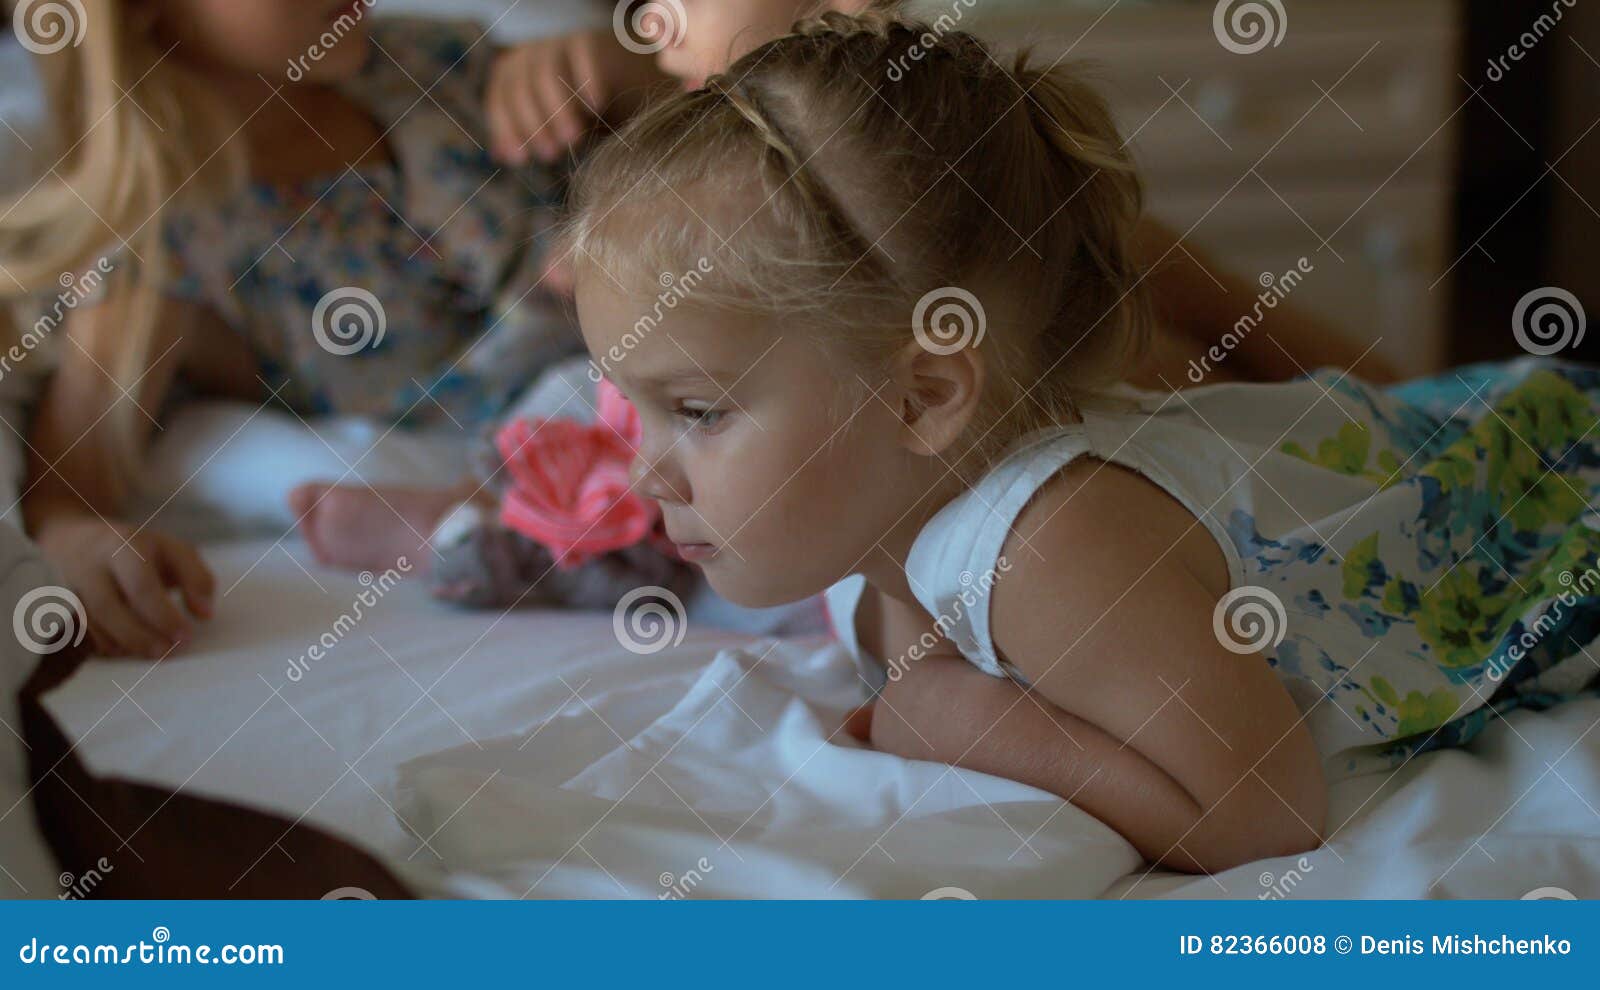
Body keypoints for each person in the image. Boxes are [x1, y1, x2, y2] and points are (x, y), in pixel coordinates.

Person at [558, 12, 1600, 871]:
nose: (646, 466)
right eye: (635, 407)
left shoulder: (1050, 544)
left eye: (695, 411)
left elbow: (1261, 811)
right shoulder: (867, 539)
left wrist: (967, 727)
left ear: (922, 397)